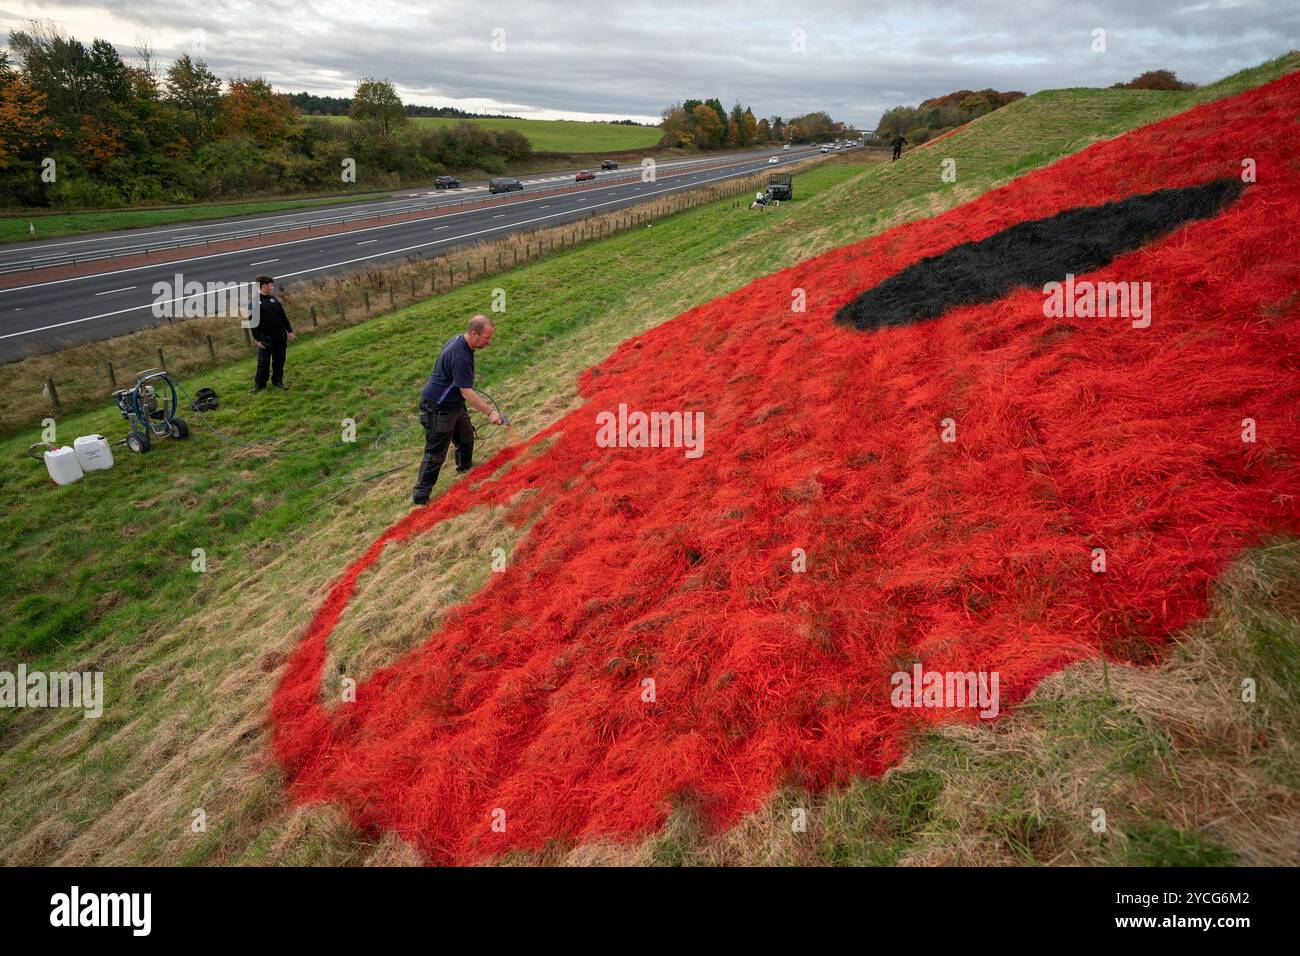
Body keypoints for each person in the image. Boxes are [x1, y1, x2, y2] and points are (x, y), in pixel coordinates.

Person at [412, 315, 502, 505]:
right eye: (486, 338)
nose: (489, 342)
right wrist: (490, 412)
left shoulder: (460, 341)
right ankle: (420, 497)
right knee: (436, 452)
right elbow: (467, 392)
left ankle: (465, 467)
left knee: (466, 436)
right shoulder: (460, 355)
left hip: (454, 403)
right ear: (474, 333)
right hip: (438, 407)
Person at [249, 275, 295, 392]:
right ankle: (260, 385)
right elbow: (252, 322)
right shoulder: (254, 302)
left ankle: (277, 381)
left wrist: (289, 330)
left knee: (279, 359)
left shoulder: (273, 299)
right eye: (271, 285)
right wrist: (257, 339)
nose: (272, 287)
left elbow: (283, 316)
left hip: (280, 336)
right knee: (263, 362)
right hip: (265, 338)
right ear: (264, 286)